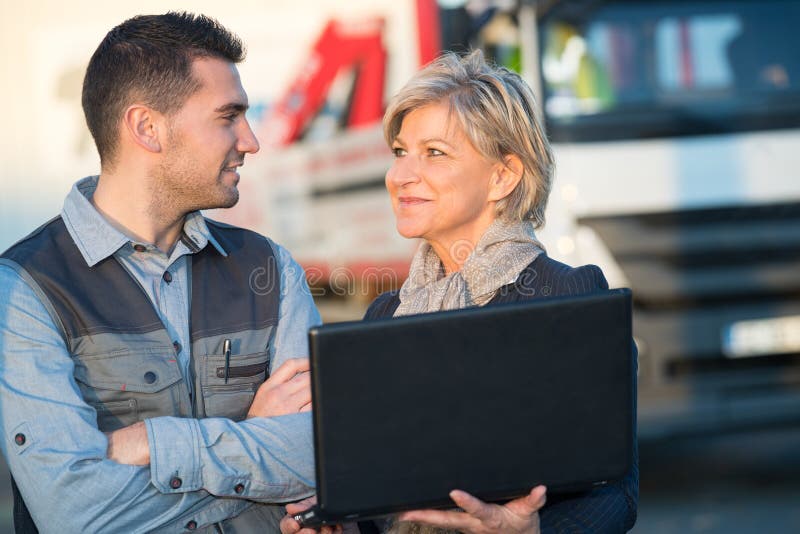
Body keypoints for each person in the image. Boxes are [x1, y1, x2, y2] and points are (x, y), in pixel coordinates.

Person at [281, 50, 638, 534]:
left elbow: (617, 492)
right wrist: (337, 524)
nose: (400, 175)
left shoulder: (565, 296)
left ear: (502, 176)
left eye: (434, 153)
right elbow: (379, 498)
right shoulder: (385, 316)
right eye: (401, 152)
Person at [0, 12, 321, 533]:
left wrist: (154, 444)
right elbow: (77, 515)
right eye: (228, 116)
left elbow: (319, 457)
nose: (251, 140)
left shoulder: (271, 269)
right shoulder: (22, 289)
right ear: (147, 128)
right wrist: (254, 440)